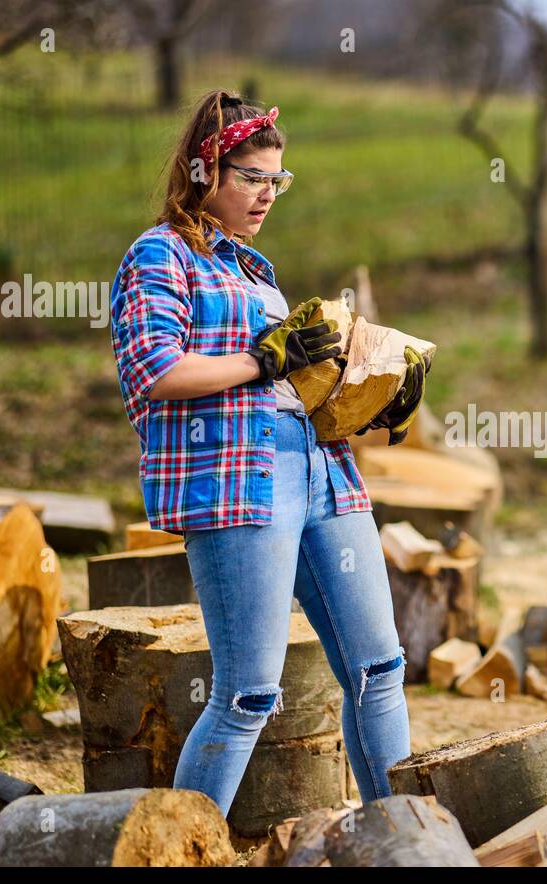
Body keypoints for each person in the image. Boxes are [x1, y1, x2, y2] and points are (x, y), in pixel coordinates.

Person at [109, 89, 425, 812]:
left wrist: (380, 405)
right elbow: (155, 370)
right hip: (238, 487)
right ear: (203, 172)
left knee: (379, 667)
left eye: (275, 180)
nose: (266, 194)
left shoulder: (258, 272)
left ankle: (403, 841)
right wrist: (264, 360)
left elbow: (294, 392)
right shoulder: (159, 255)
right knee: (248, 692)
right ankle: (181, 856)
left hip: (323, 477)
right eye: (250, 176)